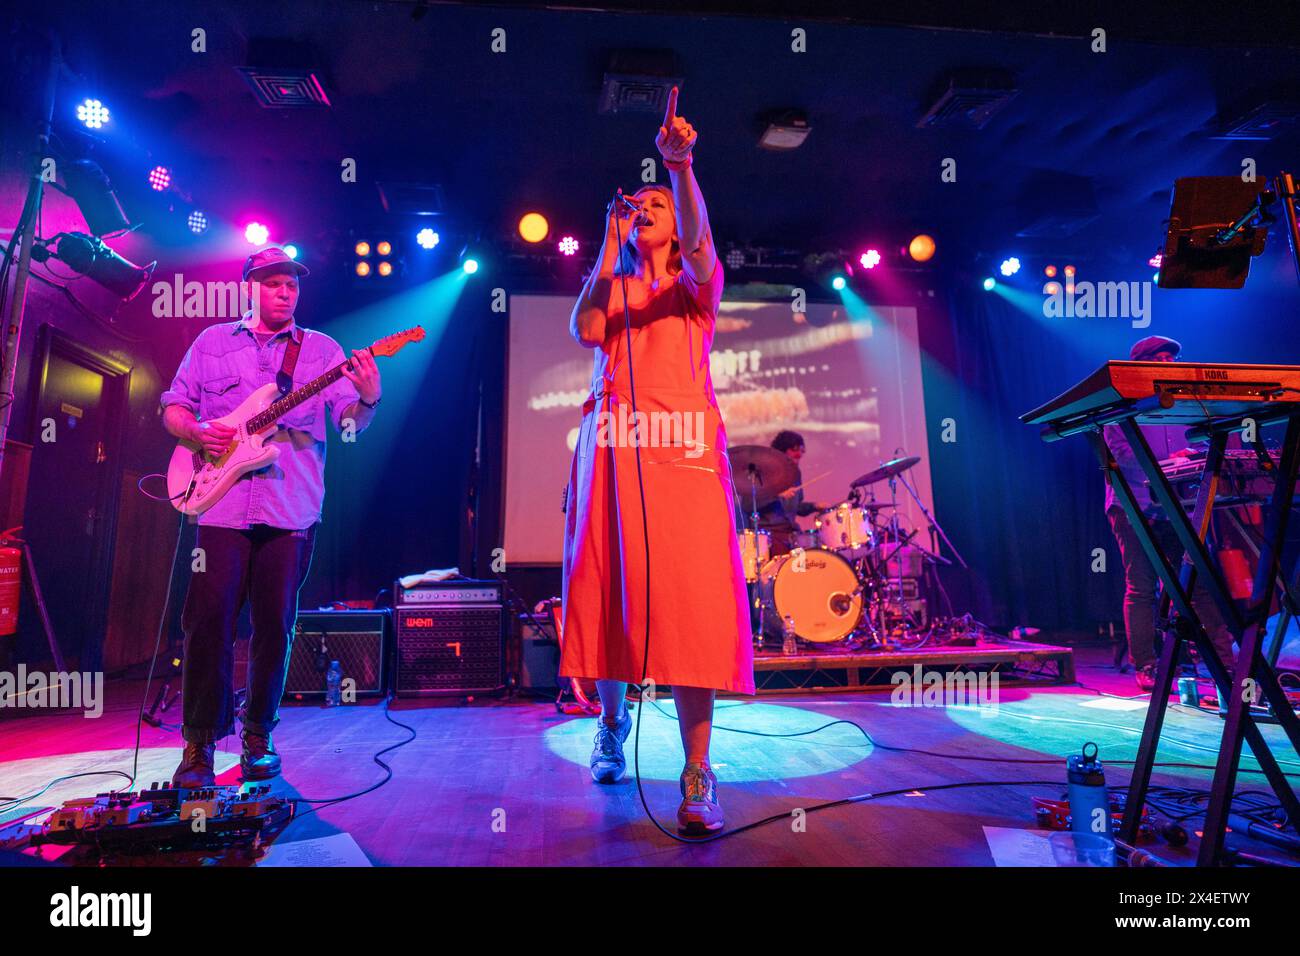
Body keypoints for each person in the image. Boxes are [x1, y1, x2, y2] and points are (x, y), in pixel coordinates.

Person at [559, 87, 753, 834]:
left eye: (656, 207)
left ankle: (697, 768)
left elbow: (700, 236)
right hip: (612, 449)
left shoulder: (693, 287)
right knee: (607, 591)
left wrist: (680, 169)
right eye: (635, 203)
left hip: (682, 452)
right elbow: (586, 329)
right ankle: (611, 726)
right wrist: (607, 247)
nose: (645, 210)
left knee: (689, 604)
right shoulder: (617, 281)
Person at [160, 246, 382, 787]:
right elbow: (173, 407)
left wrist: (369, 399)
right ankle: (199, 747)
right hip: (219, 505)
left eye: (293, 285)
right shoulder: (211, 343)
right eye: (275, 283)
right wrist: (196, 432)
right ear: (250, 286)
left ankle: (258, 736)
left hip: (291, 510)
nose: (286, 292)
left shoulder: (322, 350)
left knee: (274, 627)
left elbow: (347, 426)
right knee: (207, 622)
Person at [1104, 335, 1235, 690]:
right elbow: (1124, 458)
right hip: (1133, 506)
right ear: (1146, 364)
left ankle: (1226, 664)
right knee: (1142, 587)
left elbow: (1199, 441)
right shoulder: (1122, 402)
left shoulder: (1183, 401)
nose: (1172, 364)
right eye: (1164, 358)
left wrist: (1199, 453)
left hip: (1177, 508)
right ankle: (1146, 666)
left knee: (1197, 584)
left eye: (1174, 358)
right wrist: (1169, 464)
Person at [755, 430, 815, 555]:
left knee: (802, 567)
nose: (799, 454)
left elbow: (796, 507)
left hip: (791, 532)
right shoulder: (764, 471)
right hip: (770, 534)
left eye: (802, 451)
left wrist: (815, 506)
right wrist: (777, 495)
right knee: (783, 570)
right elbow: (749, 504)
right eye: (794, 450)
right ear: (781, 450)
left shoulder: (796, 473)